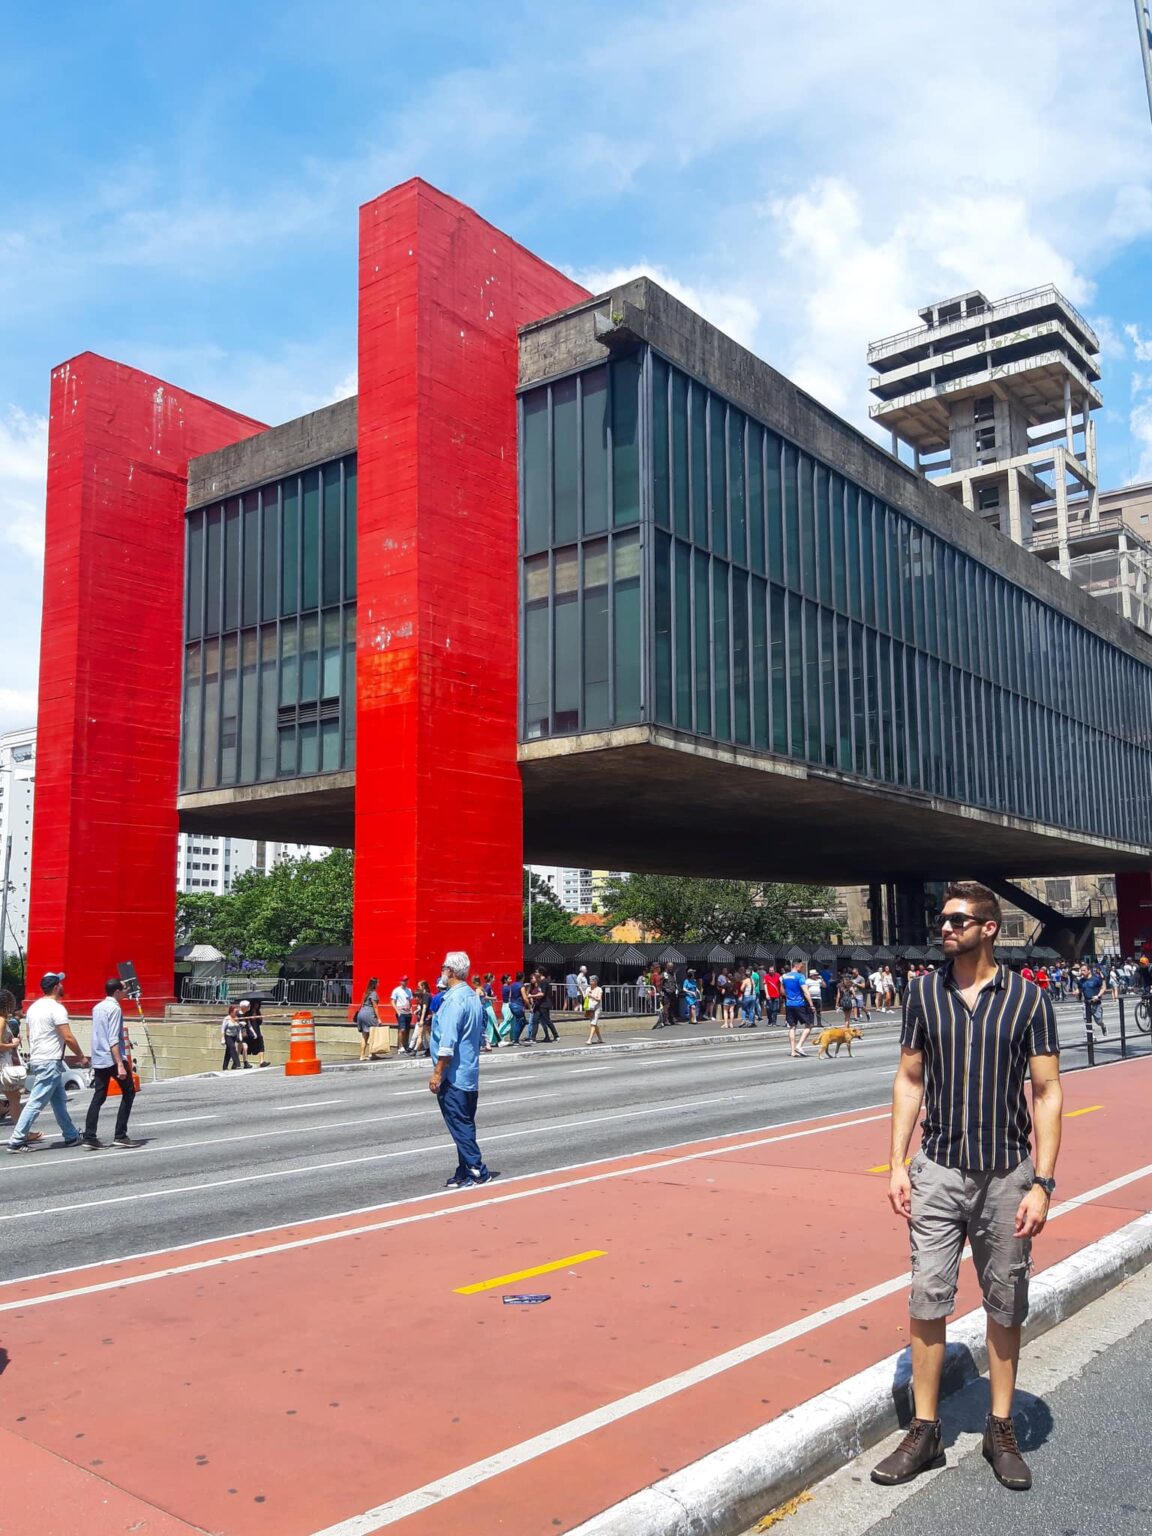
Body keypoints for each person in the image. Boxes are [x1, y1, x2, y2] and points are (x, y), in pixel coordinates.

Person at [872, 881, 1061, 1493]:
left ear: (990, 928)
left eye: (958, 919)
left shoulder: (1029, 1002)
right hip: (938, 1171)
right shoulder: (923, 994)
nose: (945, 927)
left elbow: (1048, 1093)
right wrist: (897, 1163)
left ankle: (999, 1426)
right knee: (928, 1295)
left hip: (1008, 1173)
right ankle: (925, 1430)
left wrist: (1043, 1183)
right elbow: (908, 1080)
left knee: (1005, 1302)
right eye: (942, 918)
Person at [429, 950, 496, 1188]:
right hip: (469, 1070)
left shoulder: (454, 1001)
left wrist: (438, 1073)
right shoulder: (472, 997)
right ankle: (464, 1169)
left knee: (459, 1122)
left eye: (443, 968)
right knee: (464, 1121)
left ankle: (477, 1169)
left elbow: (447, 1042)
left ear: (450, 971)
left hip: (454, 1074)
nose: (441, 972)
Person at [6, 972, 88, 1152]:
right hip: (50, 1061)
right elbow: (67, 1036)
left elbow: (28, 1034)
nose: (63, 986)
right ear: (56, 987)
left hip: (39, 1059)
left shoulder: (34, 1008)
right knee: (36, 1101)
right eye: (61, 983)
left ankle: (71, 1135)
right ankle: (17, 1139)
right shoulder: (57, 1008)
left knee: (59, 1100)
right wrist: (81, 1057)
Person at [82, 979, 141, 1149]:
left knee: (99, 1096)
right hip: (113, 1058)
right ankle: (120, 1134)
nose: (127, 990)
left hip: (99, 1057)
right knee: (129, 1093)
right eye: (124, 988)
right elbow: (113, 1038)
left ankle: (90, 1135)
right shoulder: (114, 1008)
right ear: (116, 991)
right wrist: (120, 1064)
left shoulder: (97, 1007)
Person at [0, 990, 34, 1137]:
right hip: (3, 1065)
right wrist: (13, 1044)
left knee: (14, 1098)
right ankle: (22, 1133)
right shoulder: (1, 1020)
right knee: (15, 1099)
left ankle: (22, 1132)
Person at [781, 961, 813, 1057]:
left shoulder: (784, 977)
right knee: (809, 1024)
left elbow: (782, 991)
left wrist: (788, 997)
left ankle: (792, 1051)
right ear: (796, 965)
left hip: (789, 1003)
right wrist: (811, 1004)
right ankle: (799, 1046)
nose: (802, 968)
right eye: (801, 966)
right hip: (799, 1003)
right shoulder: (800, 976)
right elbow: (806, 991)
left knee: (792, 1026)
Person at [1076, 962, 1107, 1035]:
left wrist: (1098, 996)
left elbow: (1103, 988)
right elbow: (1080, 990)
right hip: (1086, 1003)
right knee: (1087, 1020)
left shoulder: (1096, 979)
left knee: (1098, 1021)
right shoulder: (1081, 981)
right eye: (1081, 970)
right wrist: (1076, 993)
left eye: (1084, 970)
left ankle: (1103, 1026)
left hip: (1096, 1004)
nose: (1082, 972)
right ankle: (1091, 1036)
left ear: (1089, 970)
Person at [355, 978, 381, 1061]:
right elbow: (375, 1006)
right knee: (373, 1033)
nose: (379, 984)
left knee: (364, 1035)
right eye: (378, 983)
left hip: (361, 1013)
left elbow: (362, 1003)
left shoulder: (366, 993)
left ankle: (362, 1055)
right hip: (369, 1014)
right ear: (375, 984)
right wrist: (379, 1018)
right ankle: (372, 1053)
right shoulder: (373, 994)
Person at [530, 970, 558, 1042]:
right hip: (539, 1004)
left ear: (540, 973)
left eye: (536, 972)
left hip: (544, 1004)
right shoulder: (539, 982)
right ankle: (533, 1038)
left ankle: (556, 1035)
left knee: (547, 1021)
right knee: (535, 1020)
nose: (535, 973)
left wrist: (531, 996)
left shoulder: (544, 982)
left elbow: (542, 994)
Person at [240, 999, 268, 1066]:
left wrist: (259, 1017)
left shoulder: (258, 1012)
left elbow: (260, 1022)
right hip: (248, 1031)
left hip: (257, 1031)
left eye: (258, 1004)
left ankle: (262, 1061)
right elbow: (245, 1020)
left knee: (261, 1046)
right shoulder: (248, 1011)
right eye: (256, 1003)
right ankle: (245, 1062)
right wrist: (250, 1017)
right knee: (245, 1047)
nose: (257, 1005)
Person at [391, 975, 414, 1053]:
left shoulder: (409, 990)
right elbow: (392, 1001)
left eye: (406, 980)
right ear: (401, 981)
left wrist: (411, 1010)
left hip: (408, 1012)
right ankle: (400, 1046)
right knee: (402, 1029)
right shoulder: (396, 990)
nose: (405, 982)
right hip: (401, 1011)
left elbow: (410, 1001)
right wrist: (397, 1011)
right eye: (404, 980)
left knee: (407, 1029)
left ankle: (405, 1045)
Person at [221, 1002, 245, 1070]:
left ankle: (224, 1066)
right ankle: (237, 1064)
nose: (236, 1013)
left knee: (228, 1052)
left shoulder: (236, 1018)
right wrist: (223, 1038)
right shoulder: (227, 1019)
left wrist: (239, 1035)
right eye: (235, 1012)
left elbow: (238, 1028)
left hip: (234, 1036)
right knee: (233, 1047)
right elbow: (223, 1029)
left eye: (237, 1012)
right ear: (231, 1012)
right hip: (228, 1036)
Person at [411, 980, 433, 1056]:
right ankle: (429, 1049)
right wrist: (417, 1010)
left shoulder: (426, 995)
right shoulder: (427, 995)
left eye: (419, 986)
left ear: (423, 986)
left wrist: (421, 1019)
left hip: (425, 1018)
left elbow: (424, 1007)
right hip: (427, 1017)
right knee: (427, 1035)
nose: (418, 987)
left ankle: (414, 1050)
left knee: (420, 1034)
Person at [585, 974, 604, 1045]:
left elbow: (599, 999)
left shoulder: (599, 989)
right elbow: (585, 997)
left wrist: (592, 996)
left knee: (593, 1023)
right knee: (593, 1023)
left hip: (597, 1008)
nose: (590, 982)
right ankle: (600, 1038)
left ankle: (589, 1039)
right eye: (590, 980)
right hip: (590, 1008)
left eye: (592, 980)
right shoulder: (588, 989)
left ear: (596, 982)